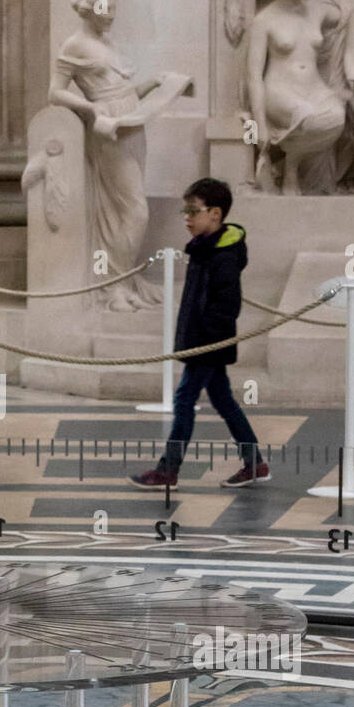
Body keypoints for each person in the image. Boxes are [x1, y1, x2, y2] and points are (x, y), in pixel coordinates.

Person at [129, 178, 270, 490]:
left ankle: (168, 470)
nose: (186, 217)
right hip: (203, 342)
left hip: (208, 343)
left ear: (216, 214)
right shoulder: (203, 249)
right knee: (223, 400)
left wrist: (205, 341)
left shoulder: (224, 255)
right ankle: (255, 463)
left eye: (194, 211)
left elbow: (226, 305)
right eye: (186, 211)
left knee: (184, 400)